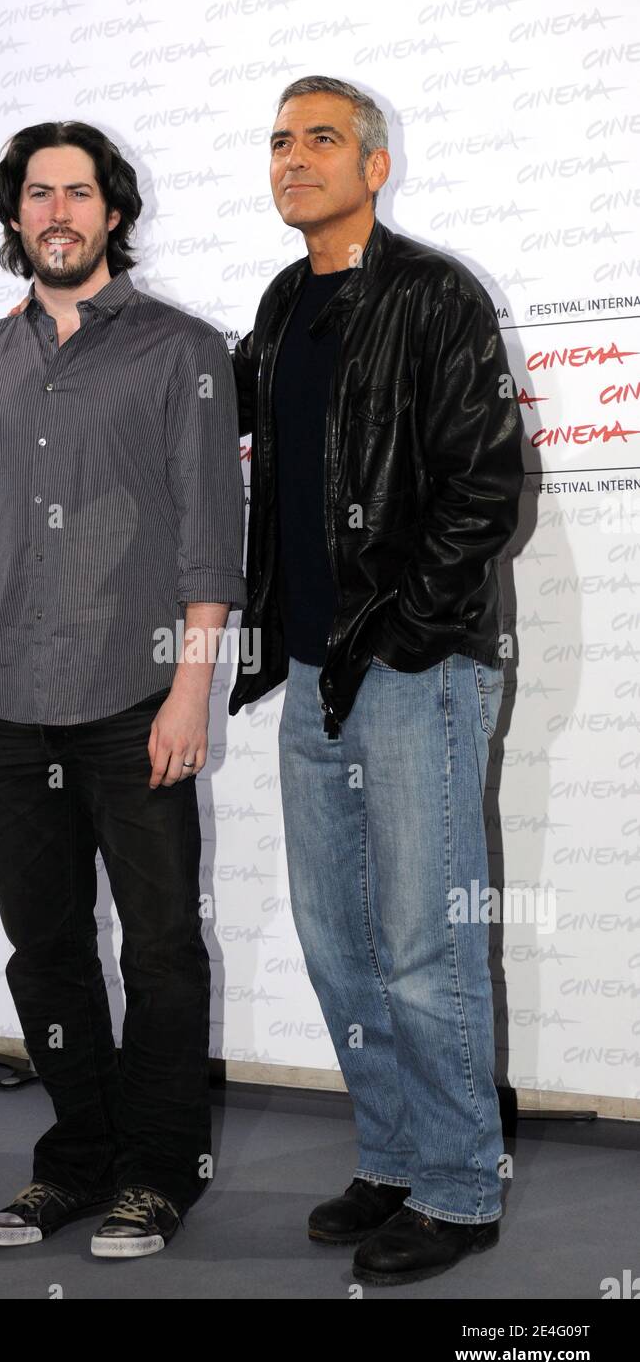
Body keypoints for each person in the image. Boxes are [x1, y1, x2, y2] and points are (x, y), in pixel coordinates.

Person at [0, 120, 246, 1258]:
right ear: (16, 216)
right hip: (8, 714)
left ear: (113, 210)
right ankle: (77, 1160)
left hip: (135, 700)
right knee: (45, 952)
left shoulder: (182, 349)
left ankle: (158, 1174)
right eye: (35, 194)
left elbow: (213, 539)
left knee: (159, 949)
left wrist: (189, 694)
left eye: (77, 192)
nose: (56, 211)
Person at [228, 76, 525, 1286]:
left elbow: (485, 488)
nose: (295, 159)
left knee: (423, 944)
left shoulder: (436, 297)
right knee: (339, 943)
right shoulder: (281, 304)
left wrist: (404, 630)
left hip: (416, 671)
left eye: (323, 139)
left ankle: (460, 1185)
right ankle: (397, 1155)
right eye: (281, 141)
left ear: (377, 164)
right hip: (310, 670)